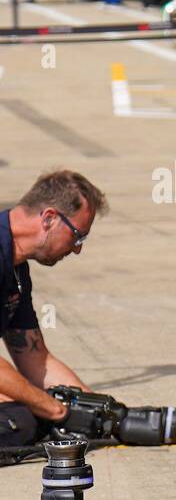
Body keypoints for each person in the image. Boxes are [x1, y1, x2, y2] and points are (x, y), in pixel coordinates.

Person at [0, 172, 106, 449]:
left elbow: (36, 359)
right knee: (19, 421)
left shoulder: (16, 268)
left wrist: (101, 413)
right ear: (49, 218)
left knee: (29, 416)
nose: (78, 249)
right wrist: (58, 411)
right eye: (78, 236)